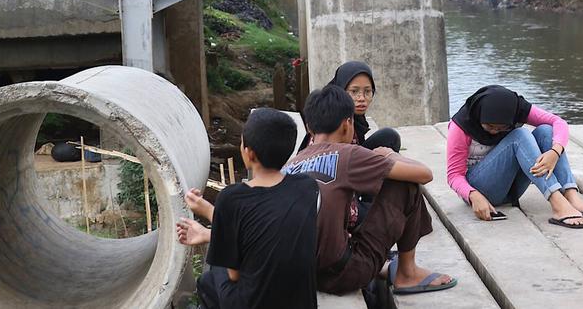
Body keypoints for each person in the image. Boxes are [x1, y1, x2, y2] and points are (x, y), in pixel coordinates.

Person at [285, 86, 456, 297]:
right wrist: (391, 155)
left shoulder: (292, 164)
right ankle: (407, 273)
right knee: (405, 185)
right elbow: (424, 174)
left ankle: (382, 266)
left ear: (309, 128)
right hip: (342, 275)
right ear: (348, 124)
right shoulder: (348, 154)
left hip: (303, 275)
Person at [176, 108, 320, 309]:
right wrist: (208, 212)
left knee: (212, 274)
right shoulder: (307, 188)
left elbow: (234, 275)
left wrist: (215, 234)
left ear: (249, 153)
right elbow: (265, 221)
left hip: (251, 303)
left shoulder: (232, 198)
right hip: (301, 302)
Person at [446, 85, 583, 229]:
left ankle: (571, 195)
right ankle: (557, 203)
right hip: (481, 191)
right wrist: (473, 195)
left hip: (512, 188)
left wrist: (555, 152)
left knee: (546, 131)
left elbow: (558, 122)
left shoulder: (518, 109)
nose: (494, 131)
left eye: (501, 128)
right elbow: (453, 176)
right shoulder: (461, 125)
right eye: (489, 126)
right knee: (520, 135)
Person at [298, 61, 400, 153]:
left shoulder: (357, 120)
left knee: (388, 138)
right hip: (331, 165)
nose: (361, 98)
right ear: (341, 89)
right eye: (354, 91)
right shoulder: (332, 118)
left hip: (348, 161)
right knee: (389, 137)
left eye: (367, 91)